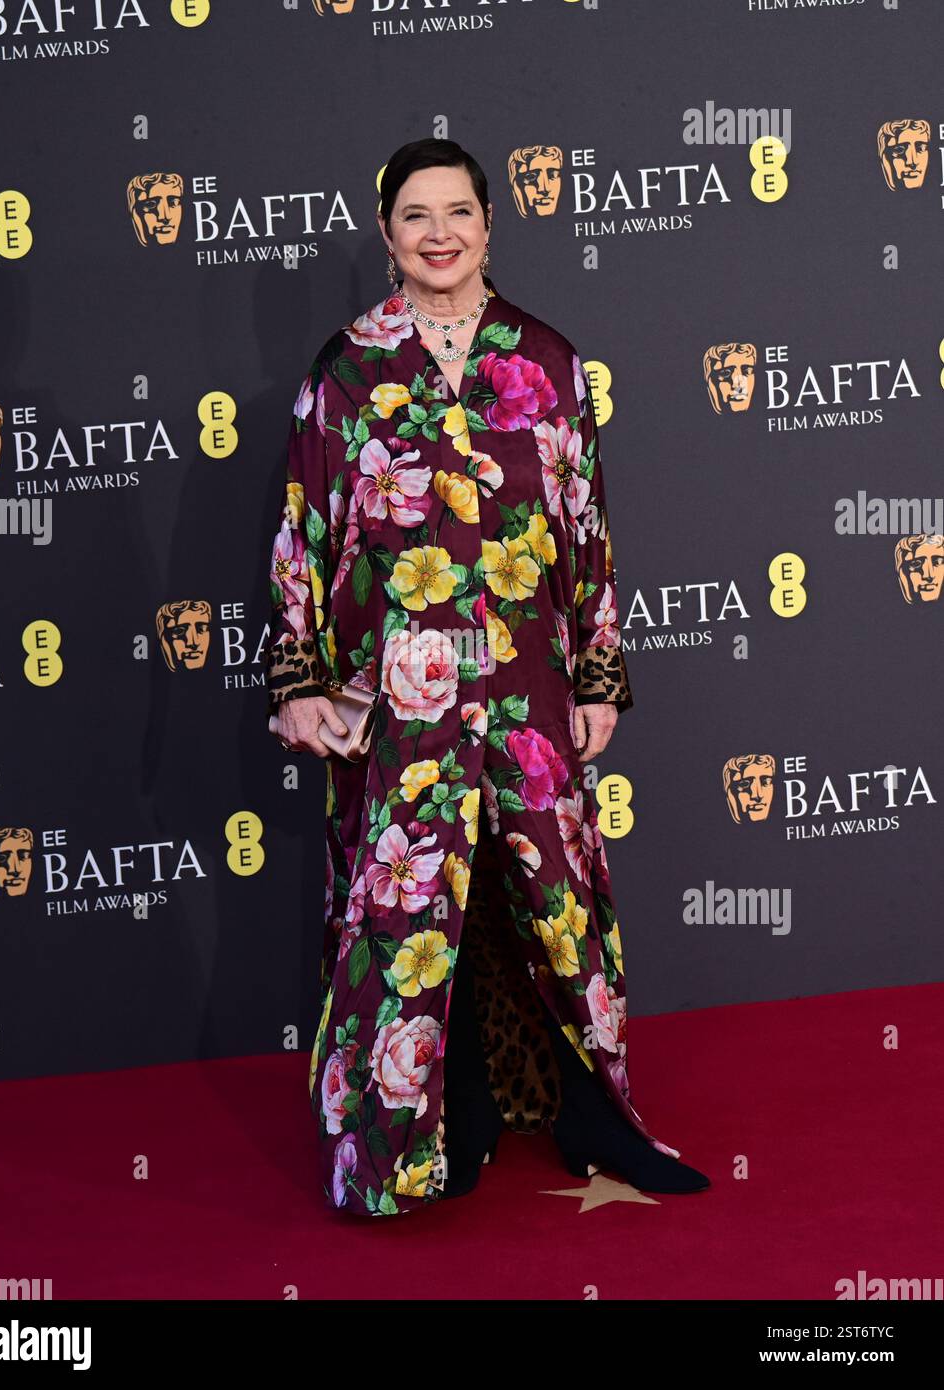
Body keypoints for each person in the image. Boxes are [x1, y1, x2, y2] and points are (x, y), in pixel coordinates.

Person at [266, 138, 710, 1217]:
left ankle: (593, 1121)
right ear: (385, 232)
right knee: (421, 909)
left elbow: (584, 529)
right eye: (415, 215)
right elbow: (303, 534)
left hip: (526, 686)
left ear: (488, 221)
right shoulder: (346, 369)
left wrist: (600, 672)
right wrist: (297, 681)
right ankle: (441, 1125)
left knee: (550, 897)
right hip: (397, 698)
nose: (438, 234)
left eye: (457, 211)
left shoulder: (547, 359)